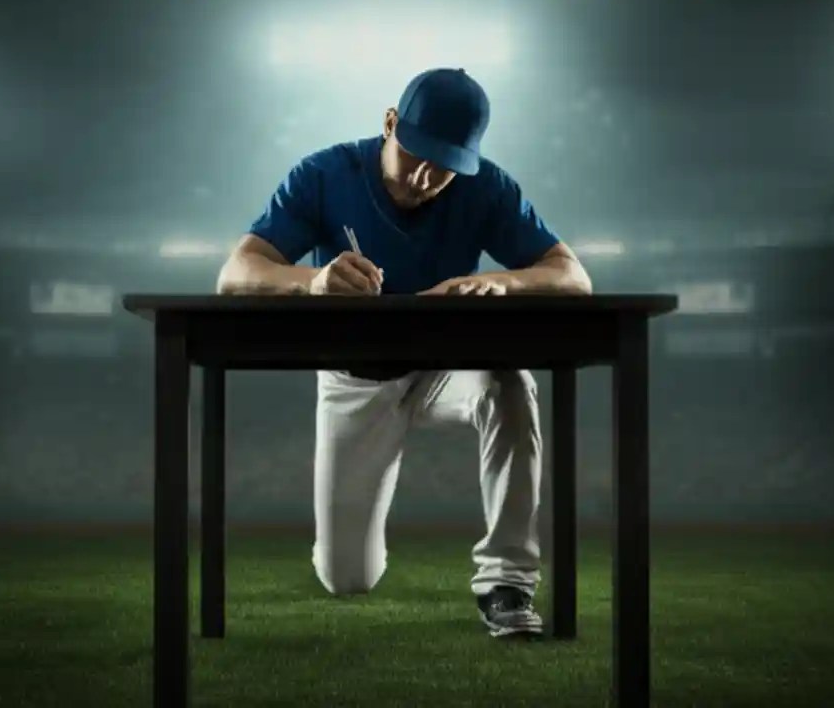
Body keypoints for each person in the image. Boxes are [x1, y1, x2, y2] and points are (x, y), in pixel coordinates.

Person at [216, 67, 592, 638]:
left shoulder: (486, 185)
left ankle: (506, 582)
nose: (425, 177)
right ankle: (353, 551)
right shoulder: (323, 174)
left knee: (510, 384)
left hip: (446, 367)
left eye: (445, 167)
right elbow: (235, 273)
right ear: (390, 123)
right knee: (346, 577)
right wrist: (312, 281)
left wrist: (501, 283)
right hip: (354, 378)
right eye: (416, 154)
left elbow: (573, 276)